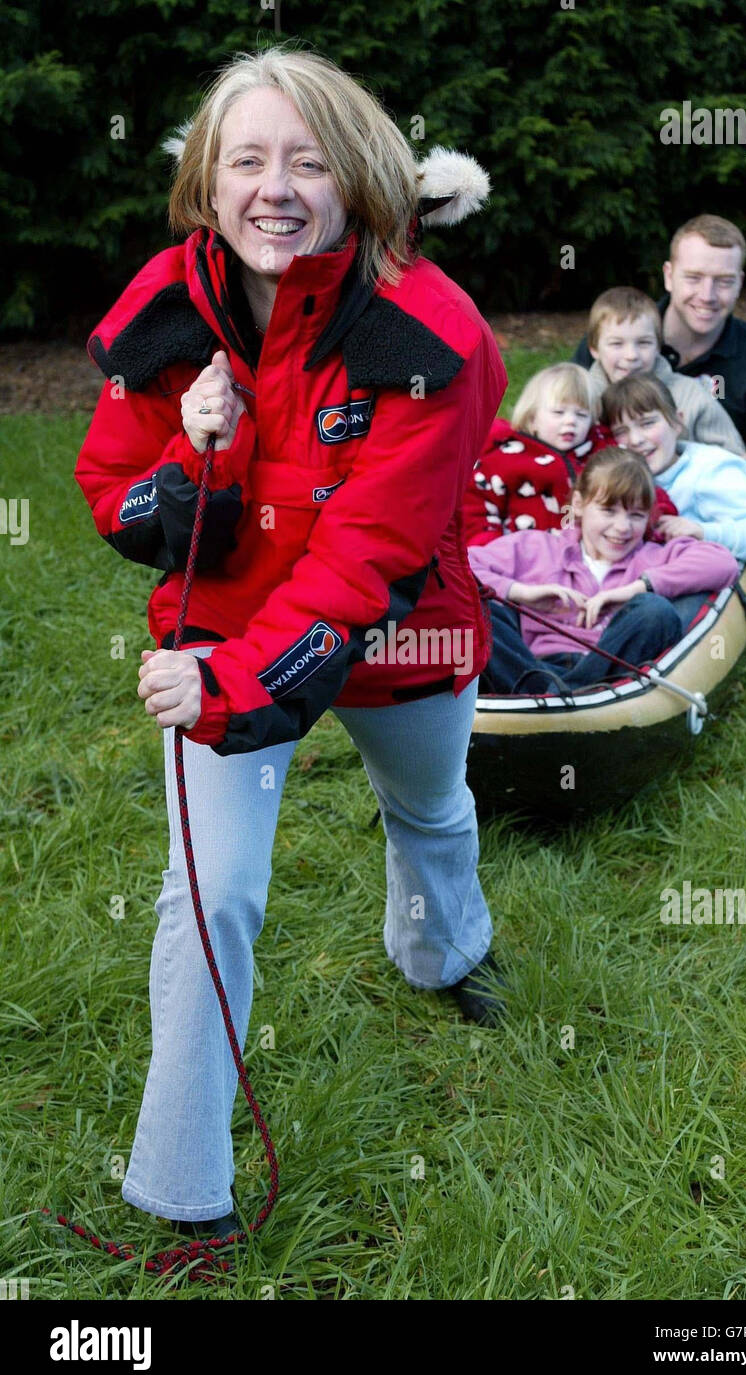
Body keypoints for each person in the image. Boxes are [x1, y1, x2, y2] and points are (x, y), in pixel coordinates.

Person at [74, 46, 508, 1239]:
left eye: (308, 162)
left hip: (396, 630)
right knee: (208, 895)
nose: (275, 187)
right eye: (247, 159)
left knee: (427, 811)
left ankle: (445, 952)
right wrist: (186, 452)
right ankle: (183, 1196)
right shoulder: (165, 306)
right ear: (207, 183)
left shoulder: (432, 329)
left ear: (359, 178)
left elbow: (364, 557)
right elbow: (117, 496)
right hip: (224, 630)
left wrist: (228, 684)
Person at [468, 447, 739, 696]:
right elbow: (463, 565)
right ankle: (549, 696)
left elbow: (723, 563)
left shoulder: (653, 555)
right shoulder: (539, 547)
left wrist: (635, 589)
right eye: (608, 511)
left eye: (636, 515)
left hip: (607, 674)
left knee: (655, 611)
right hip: (531, 670)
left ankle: (567, 697)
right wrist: (522, 592)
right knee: (477, 608)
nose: (622, 527)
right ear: (579, 504)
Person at [573, 215, 746, 491]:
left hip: (718, 498)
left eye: (723, 281)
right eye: (694, 278)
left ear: (739, 283)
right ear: (669, 275)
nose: (707, 295)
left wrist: (691, 484)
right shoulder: (619, 337)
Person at [463, 361, 675, 547]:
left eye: (581, 414)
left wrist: (662, 517)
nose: (570, 421)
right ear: (532, 417)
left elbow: (643, 489)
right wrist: (492, 554)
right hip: (526, 562)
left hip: (600, 556)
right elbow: (476, 512)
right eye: (558, 412)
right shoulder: (503, 458)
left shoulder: (606, 453)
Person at [599, 376, 746, 570]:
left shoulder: (709, 474)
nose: (635, 439)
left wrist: (703, 531)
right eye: (620, 432)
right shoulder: (615, 476)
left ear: (677, 423)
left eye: (647, 423)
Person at [585, 286, 746, 461]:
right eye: (617, 344)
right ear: (594, 349)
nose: (631, 355)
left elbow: (733, 458)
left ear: (658, 346)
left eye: (643, 343)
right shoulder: (581, 400)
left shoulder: (692, 396)